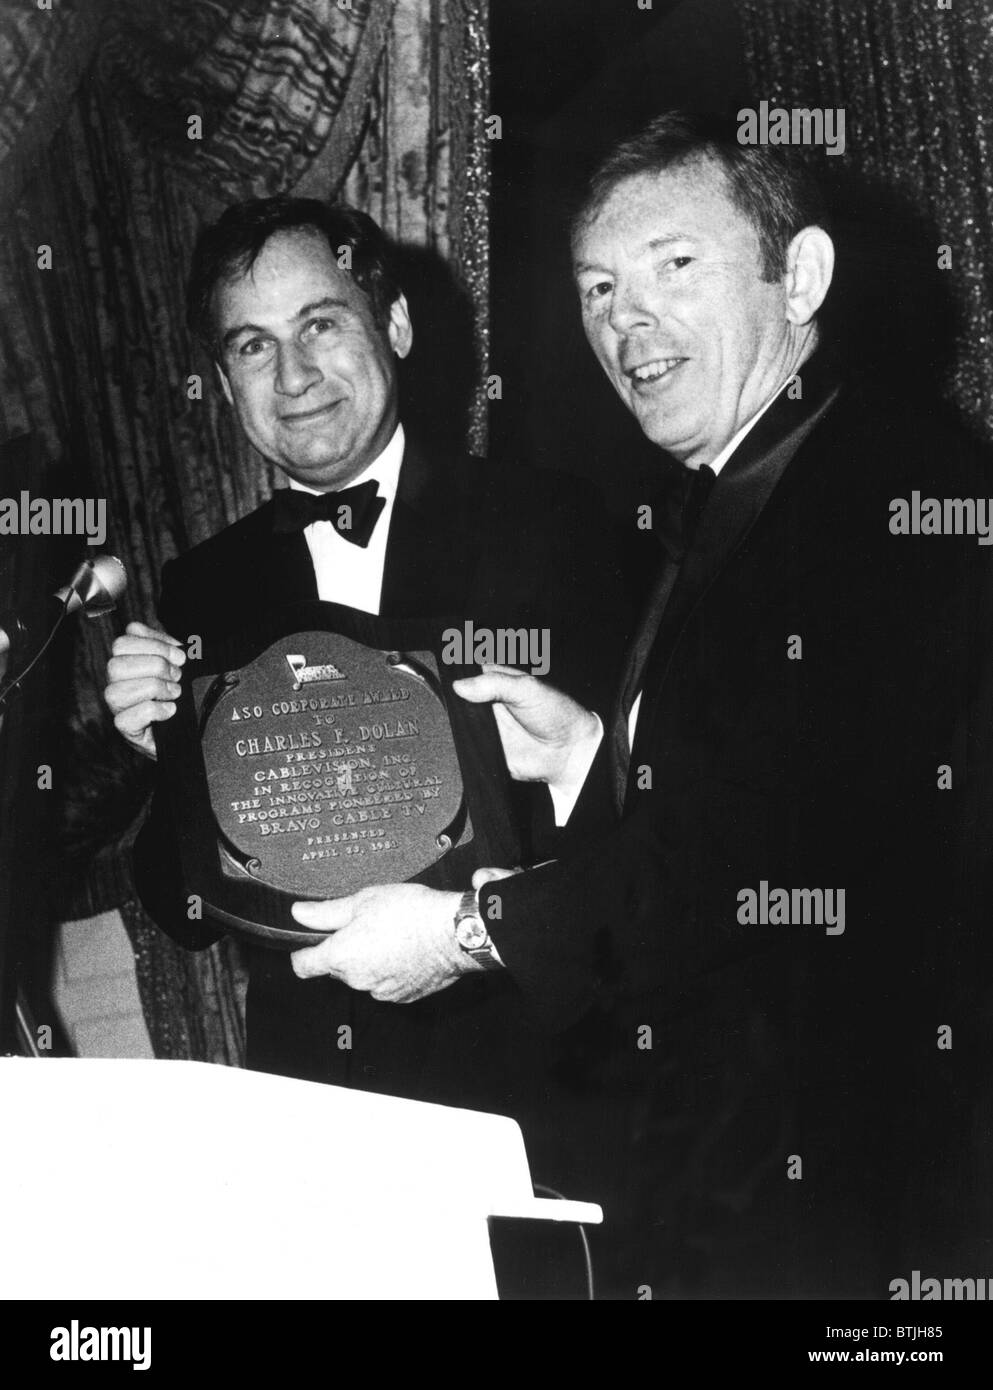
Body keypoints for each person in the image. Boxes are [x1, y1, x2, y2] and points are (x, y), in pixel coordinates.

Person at [289, 114, 993, 1298]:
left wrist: (469, 928)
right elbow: (758, 781)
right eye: (599, 286)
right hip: (771, 1182)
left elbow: (757, 858)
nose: (628, 319)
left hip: (881, 1205)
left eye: (677, 266)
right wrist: (587, 754)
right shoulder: (749, 489)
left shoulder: (888, 489)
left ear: (801, 276)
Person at [103, 196, 635, 1156]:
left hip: (536, 1093)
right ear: (224, 387)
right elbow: (186, 914)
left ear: (393, 325)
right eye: (252, 348)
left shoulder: (550, 524)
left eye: (320, 324)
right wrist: (159, 756)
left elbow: (642, 824)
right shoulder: (202, 585)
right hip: (320, 1110)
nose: (295, 375)